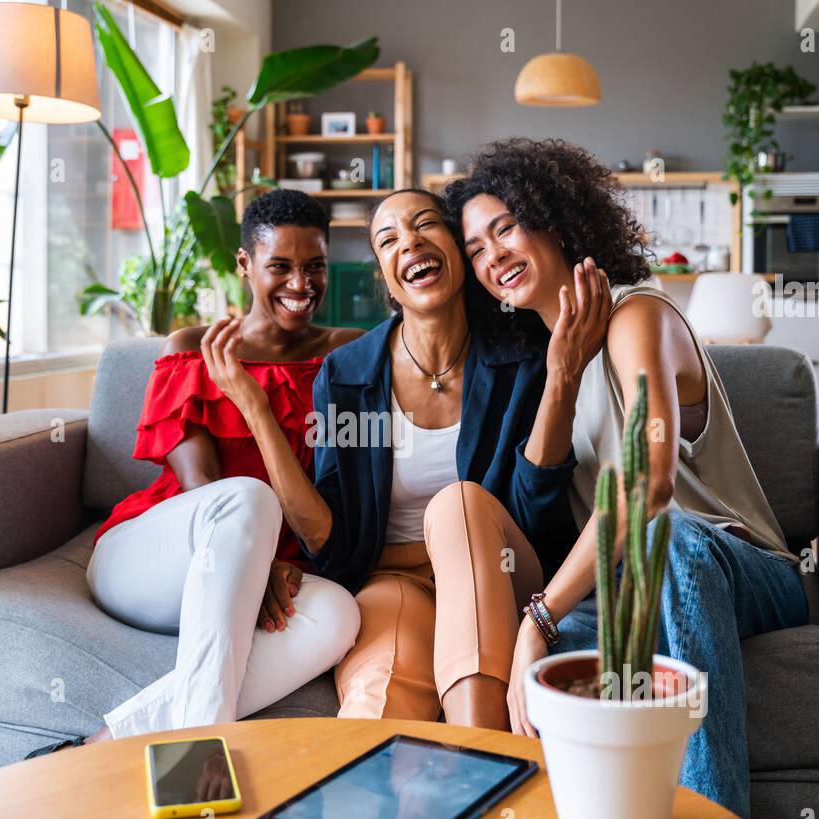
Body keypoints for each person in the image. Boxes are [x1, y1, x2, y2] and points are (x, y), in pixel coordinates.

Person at [448, 139, 810, 818]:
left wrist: (543, 614)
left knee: (665, 540)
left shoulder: (637, 316)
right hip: (629, 589)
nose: (491, 255)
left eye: (505, 228)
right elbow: (535, 510)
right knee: (512, 656)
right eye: (474, 248)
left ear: (554, 220)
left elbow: (649, 488)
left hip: (738, 566)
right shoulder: (546, 361)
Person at [204, 188, 594, 730]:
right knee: (377, 698)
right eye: (387, 239)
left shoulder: (523, 354)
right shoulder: (347, 374)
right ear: (386, 277)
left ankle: (480, 759)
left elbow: (538, 515)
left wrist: (561, 379)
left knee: (456, 506)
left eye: (426, 225)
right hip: (394, 577)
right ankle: (360, 802)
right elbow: (329, 542)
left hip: (503, 570)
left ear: (458, 250)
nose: (408, 242)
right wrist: (255, 408)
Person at [77, 189, 363, 743]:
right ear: (244, 265)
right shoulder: (193, 347)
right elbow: (199, 489)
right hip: (153, 562)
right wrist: (254, 566)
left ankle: (103, 744)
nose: (301, 285)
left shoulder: (346, 356)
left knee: (338, 615)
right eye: (280, 265)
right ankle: (197, 764)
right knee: (246, 495)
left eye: (315, 267)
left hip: (261, 577)